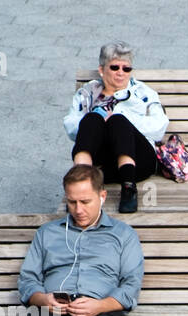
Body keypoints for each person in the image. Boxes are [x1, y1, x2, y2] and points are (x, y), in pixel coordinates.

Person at [17, 164, 144, 316]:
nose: (78, 210)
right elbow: (27, 280)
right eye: (72, 202)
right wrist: (43, 299)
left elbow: (131, 285)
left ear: (103, 196)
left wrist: (100, 305)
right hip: (52, 308)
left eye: (85, 201)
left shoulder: (123, 235)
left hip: (99, 309)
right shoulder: (47, 233)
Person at [64, 42, 169, 214]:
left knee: (118, 121)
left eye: (126, 68)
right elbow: (70, 126)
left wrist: (125, 119)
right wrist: (99, 120)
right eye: (114, 67)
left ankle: (129, 190)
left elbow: (159, 127)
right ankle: (80, 185)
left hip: (138, 163)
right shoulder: (88, 92)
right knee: (92, 118)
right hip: (100, 167)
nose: (121, 72)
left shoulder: (143, 93)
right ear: (102, 69)